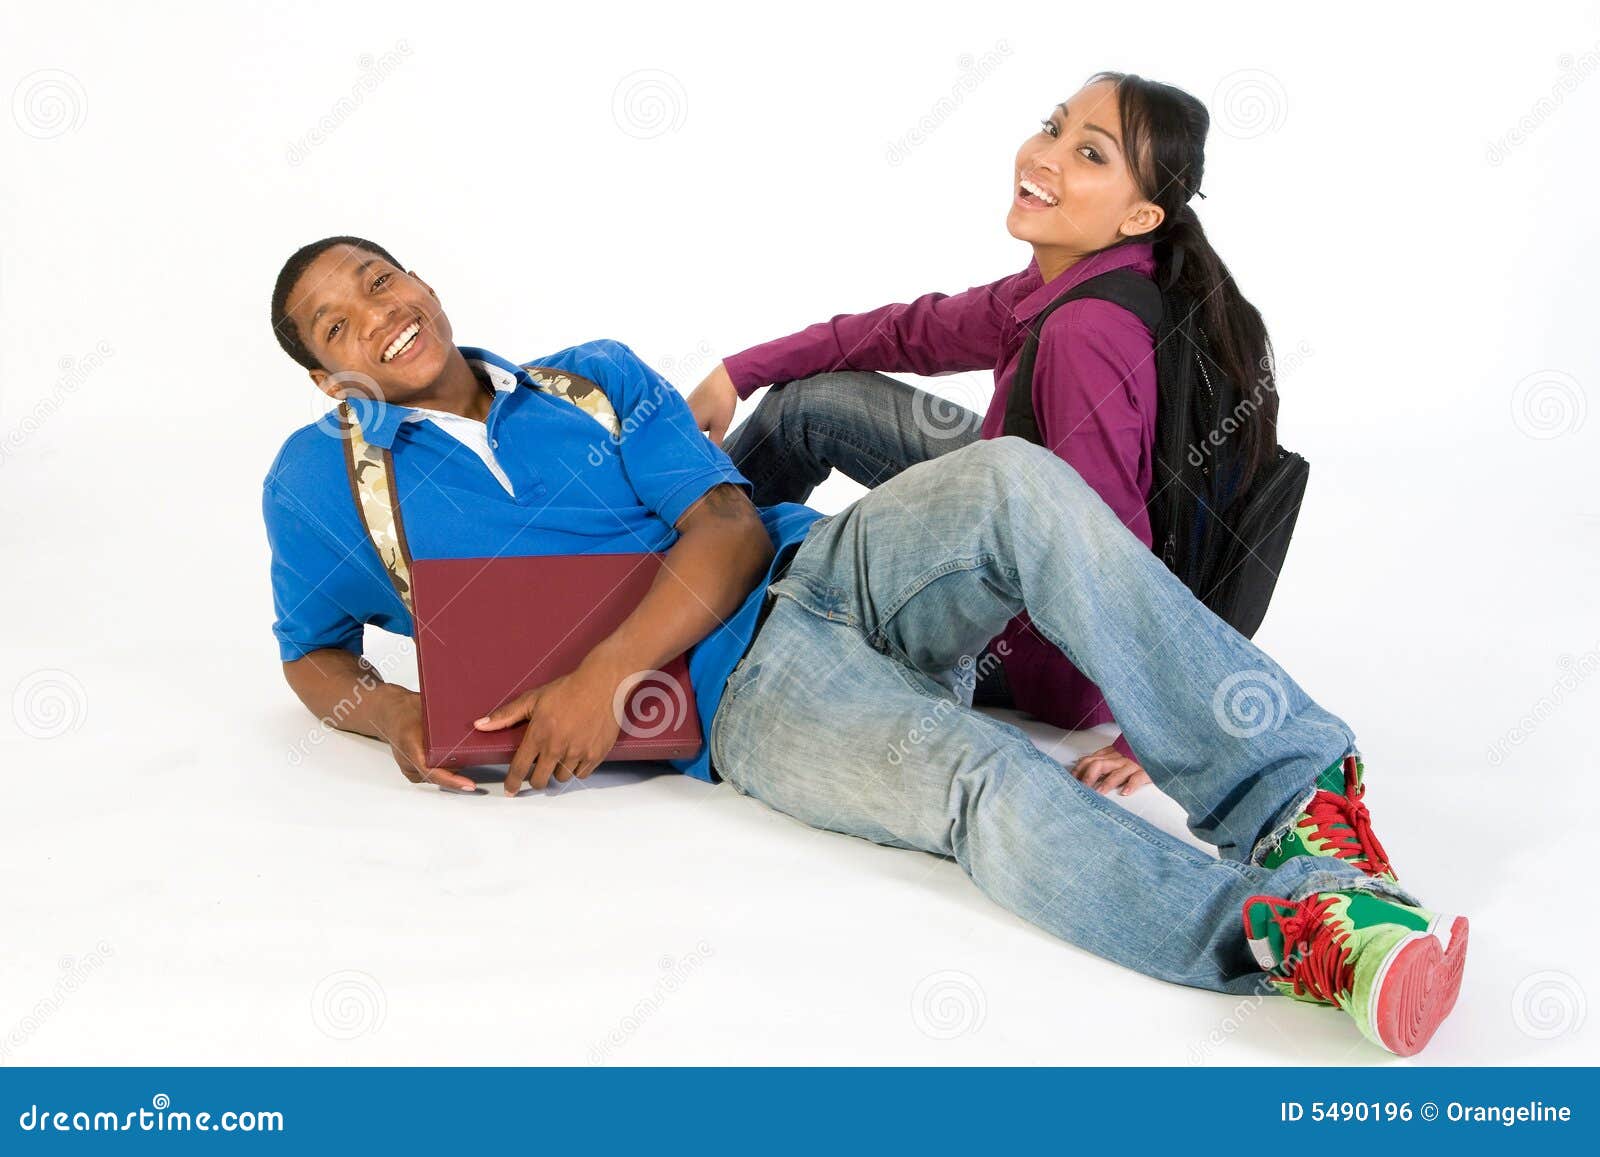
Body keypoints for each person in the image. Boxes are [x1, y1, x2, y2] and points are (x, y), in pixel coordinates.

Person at [262, 236, 1468, 1056]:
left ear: (418, 275)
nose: (381, 314)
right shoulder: (324, 481)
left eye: (381, 280)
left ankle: (1303, 803)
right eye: (342, 320)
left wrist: (596, 677)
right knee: (979, 777)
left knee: (1007, 476)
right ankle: (1297, 935)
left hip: (817, 566)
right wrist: (397, 715)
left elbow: (729, 526)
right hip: (742, 705)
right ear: (328, 370)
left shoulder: (592, 376)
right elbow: (312, 653)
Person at [688, 71, 1273, 801]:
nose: (1046, 156)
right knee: (810, 404)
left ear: (1140, 217)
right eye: (1054, 128)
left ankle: (675, 581)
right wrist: (736, 372)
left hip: (1038, 648)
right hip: (1015, 526)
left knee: (809, 560)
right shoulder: (1066, 280)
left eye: (1092, 155)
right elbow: (906, 331)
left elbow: (1107, 541)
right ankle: (686, 551)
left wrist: (1158, 731)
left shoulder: (1086, 331)